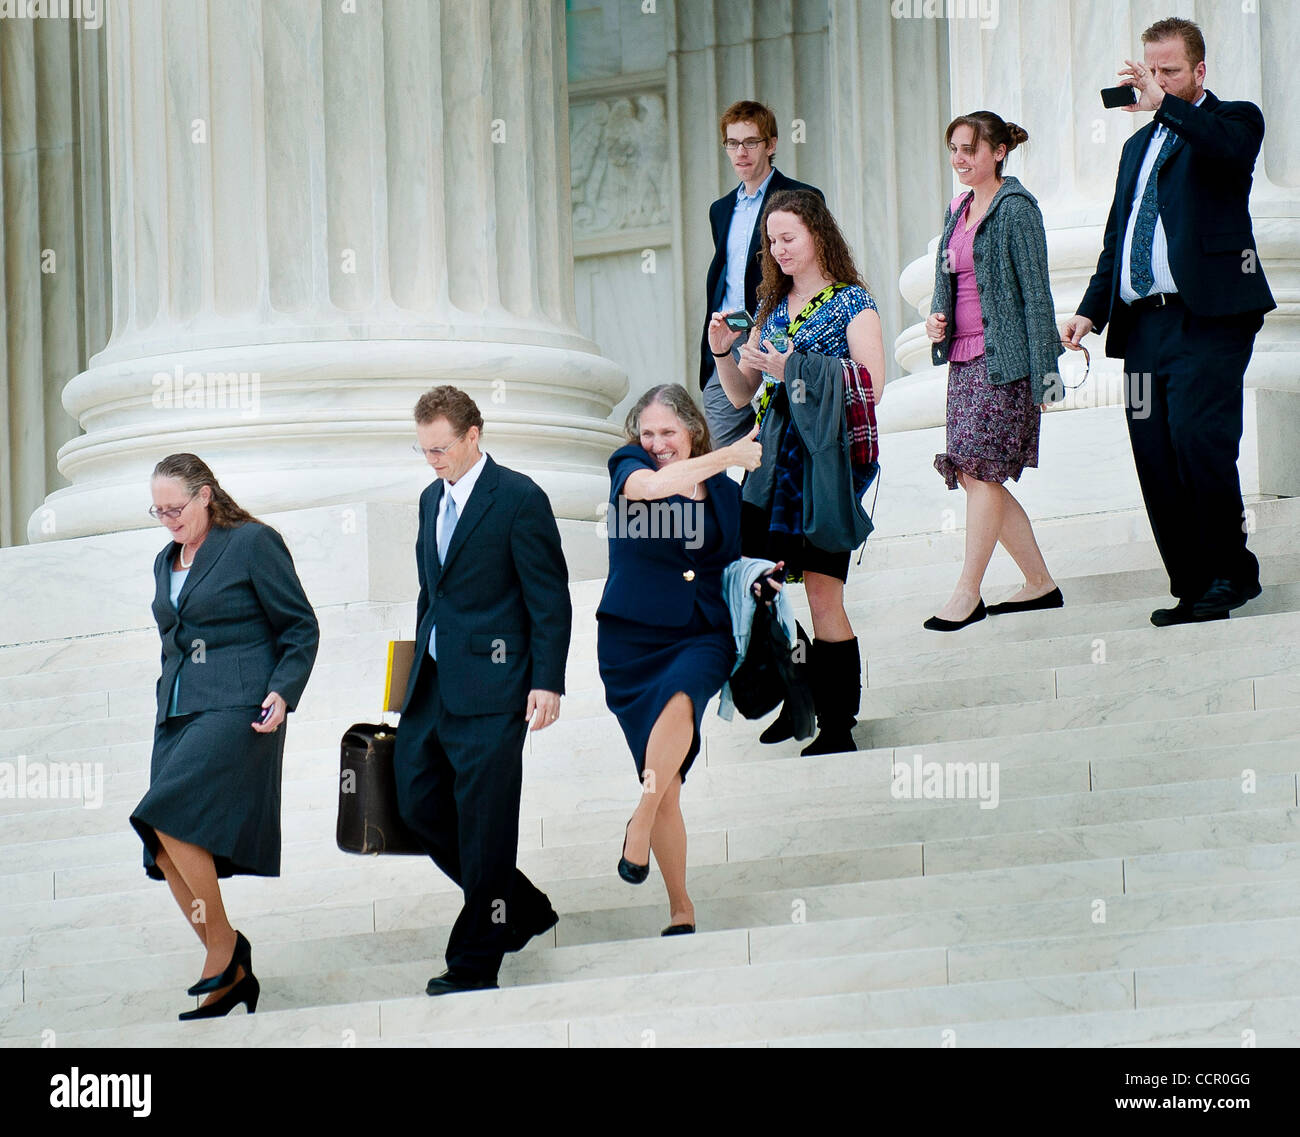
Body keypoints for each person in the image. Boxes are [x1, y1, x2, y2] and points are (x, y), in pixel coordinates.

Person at [1063, 16, 1275, 628]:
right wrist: (1089, 309)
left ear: (1199, 71)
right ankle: (1193, 583)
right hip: (1142, 326)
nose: (1156, 82)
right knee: (1153, 449)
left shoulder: (1234, 120)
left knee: (1197, 438)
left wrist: (1167, 109)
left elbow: (1226, 152)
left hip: (1210, 315)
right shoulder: (1136, 147)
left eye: (1170, 72)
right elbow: (1118, 238)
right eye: (1149, 71)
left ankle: (1231, 572)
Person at [394, 386, 572, 997]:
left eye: (440, 449)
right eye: (424, 451)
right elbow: (430, 597)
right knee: (416, 805)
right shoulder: (427, 500)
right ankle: (520, 906)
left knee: (486, 824)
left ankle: (475, 961)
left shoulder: (519, 498)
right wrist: (405, 679)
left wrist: (547, 681)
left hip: (497, 689)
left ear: (473, 434)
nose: (433, 460)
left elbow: (549, 597)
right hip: (432, 685)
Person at [130, 453, 319, 1020]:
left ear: (205, 494)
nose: (167, 520)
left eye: (175, 507)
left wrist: (284, 690)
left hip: (239, 704)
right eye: (157, 511)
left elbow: (299, 624)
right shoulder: (166, 560)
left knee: (168, 810)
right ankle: (230, 975)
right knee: (160, 843)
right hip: (177, 711)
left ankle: (223, 944)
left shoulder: (252, 543)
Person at [708, 189, 885, 755]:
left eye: (789, 238)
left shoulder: (853, 303)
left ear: (817, 236)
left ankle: (839, 723)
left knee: (822, 595)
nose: (779, 250)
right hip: (768, 467)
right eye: (771, 241)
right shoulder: (772, 309)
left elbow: (871, 384)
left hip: (824, 469)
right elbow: (742, 396)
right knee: (755, 583)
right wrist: (723, 353)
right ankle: (800, 689)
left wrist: (795, 368)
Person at [597, 385, 764, 933]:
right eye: (648, 432)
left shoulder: (720, 493)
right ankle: (680, 905)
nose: (657, 442)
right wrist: (733, 453)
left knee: (682, 700)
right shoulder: (629, 468)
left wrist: (759, 580)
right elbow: (652, 489)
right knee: (665, 780)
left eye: (668, 432)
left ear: (690, 429)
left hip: (702, 633)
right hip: (633, 640)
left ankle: (638, 819)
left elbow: (726, 563)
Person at [924, 112, 1064, 631]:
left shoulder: (1017, 210)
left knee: (980, 470)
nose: (959, 159)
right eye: (954, 149)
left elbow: (1037, 295)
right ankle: (1040, 582)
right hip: (961, 360)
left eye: (969, 149)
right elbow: (950, 278)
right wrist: (937, 319)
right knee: (971, 472)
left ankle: (967, 592)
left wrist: (1047, 374)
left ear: (998, 152)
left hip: (1004, 364)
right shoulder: (957, 209)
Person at [699, 100, 823, 447]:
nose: (741, 152)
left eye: (751, 142)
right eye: (732, 143)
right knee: (724, 453)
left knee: (789, 440)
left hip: (781, 328)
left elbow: (814, 267)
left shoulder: (802, 197)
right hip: (731, 331)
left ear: (771, 144)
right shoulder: (720, 210)